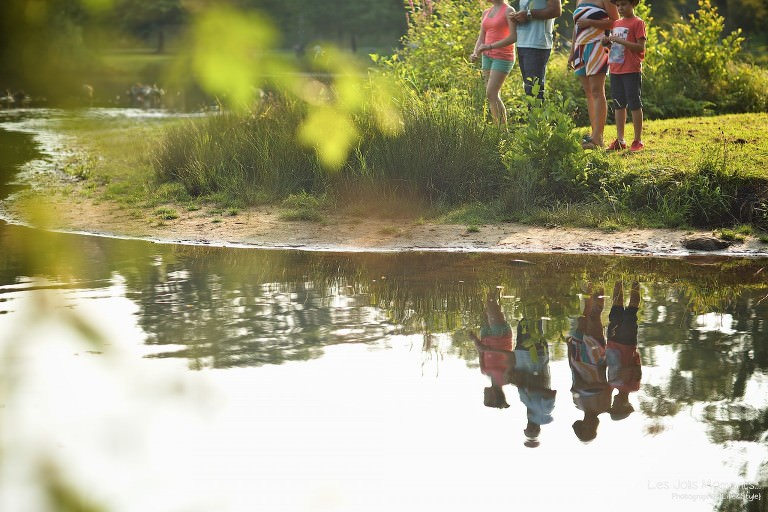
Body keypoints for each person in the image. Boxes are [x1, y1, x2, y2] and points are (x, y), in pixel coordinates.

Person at [568, 0, 619, 149]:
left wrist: (591, 22)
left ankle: (598, 138)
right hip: (580, 48)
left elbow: (616, 22)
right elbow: (576, 27)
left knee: (597, 91)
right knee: (589, 93)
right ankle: (594, 135)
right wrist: (572, 52)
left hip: (598, 46)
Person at [567, 283, 611, 442]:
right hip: (595, 359)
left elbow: (573, 375)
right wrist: (587, 387)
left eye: (583, 428)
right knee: (594, 316)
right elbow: (607, 385)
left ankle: (588, 283)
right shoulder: (604, 406)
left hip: (578, 356)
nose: (587, 425)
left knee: (584, 316)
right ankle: (601, 282)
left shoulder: (577, 404)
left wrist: (569, 348)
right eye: (588, 429)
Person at [603, 0, 647, 152]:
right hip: (615, 70)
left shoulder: (638, 23)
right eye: (618, 5)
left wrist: (620, 40)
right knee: (618, 104)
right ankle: (620, 140)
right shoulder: (616, 23)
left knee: (634, 103)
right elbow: (617, 48)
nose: (620, 8)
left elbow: (640, 47)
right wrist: (607, 44)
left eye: (624, 4)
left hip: (631, 70)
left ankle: (638, 140)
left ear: (633, 4)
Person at [470, 0, 518, 125]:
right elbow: (482, 37)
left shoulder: (509, 10)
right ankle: (499, 130)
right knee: (493, 95)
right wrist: (476, 52)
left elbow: (514, 37)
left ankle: (503, 132)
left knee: (491, 93)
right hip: (486, 57)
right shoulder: (486, 12)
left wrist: (490, 46)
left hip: (503, 57)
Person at [508, 0, 563, 100]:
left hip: (537, 43)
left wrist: (529, 14)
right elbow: (526, 14)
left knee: (534, 91)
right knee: (529, 89)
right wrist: (517, 17)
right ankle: (532, 115)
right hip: (522, 42)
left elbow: (556, 10)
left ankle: (536, 115)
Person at [470, 287, 514, 409]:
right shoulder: (507, 378)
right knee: (491, 305)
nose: (484, 394)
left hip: (486, 336)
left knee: (483, 308)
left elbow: (481, 350)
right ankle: (495, 282)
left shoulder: (484, 371)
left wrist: (475, 340)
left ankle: (491, 285)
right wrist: (490, 350)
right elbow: (511, 356)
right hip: (501, 337)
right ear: (494, 396)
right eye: (486, 397)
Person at [606, 281, 643, 420]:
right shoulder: (633, 387)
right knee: (631, 312)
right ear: (626, 405)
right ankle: (635, 279)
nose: (614, 403)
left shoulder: (611, 385)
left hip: (612, 342)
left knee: (616, 309)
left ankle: (618, 278)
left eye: (613, 406)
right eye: (617, 407)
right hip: (627, 344)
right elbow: (637, 368)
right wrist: (624, 371)